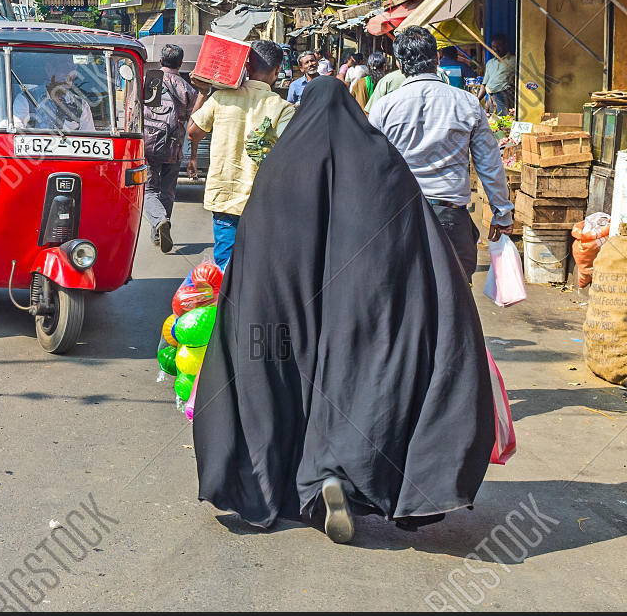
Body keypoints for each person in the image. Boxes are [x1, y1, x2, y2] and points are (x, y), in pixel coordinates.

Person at [193, 76, 497, 543]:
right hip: (363, 306)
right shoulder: (383, 162)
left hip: (283, 313)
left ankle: (269, 481)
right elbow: (417, 242)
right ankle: (337, 470)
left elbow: (254, 248)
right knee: (354, 381)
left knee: (280, 379)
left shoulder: (282, 163)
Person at [369, 26, 513, 284]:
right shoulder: (467, 103)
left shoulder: (383, 108)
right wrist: (502, 212)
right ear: (436, 59)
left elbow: (372, 168)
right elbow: (489, 164)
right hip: (450, 217)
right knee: (455, 296)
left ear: (399, 64)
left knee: (406, 294)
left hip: (400, 215)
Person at [186, 40, 295, 269]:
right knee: (258, 266)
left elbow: (193, 132)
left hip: (225, 197)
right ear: (277, 70)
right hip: (263, 200)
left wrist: (203, 93)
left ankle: (227, 291)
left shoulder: (220, 98)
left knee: (225, 266)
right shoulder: (283, 108)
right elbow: (288, 152)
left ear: (246, 66)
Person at [141, 43, 200, 253]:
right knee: (167, 191)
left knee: (149, 190)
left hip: (148, 145)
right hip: (174, 146)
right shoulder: (186, 88)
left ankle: (159, 222)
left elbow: (134, 110)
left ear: (160, 61)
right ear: (180, 64)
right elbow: (196, 120)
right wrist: (193, 155)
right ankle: (160, 228)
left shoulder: (148, 82)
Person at [12, 61, 95, 132]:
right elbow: (17, 134)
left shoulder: (81, 105)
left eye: (73, 69)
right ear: (49, 69)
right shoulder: (26, 99)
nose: (70, 74)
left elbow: (89, 137)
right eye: (64, 67)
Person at [483, 36, 516, 116]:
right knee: (492, 120)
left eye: (499, 46)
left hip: (504, 95)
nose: (496, 49)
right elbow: (484, 84)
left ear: (505, 45)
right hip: (491, 97)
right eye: (493, 47)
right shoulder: (490, 63)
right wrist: (477, 99)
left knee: (505, 119)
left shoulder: (514, 60)